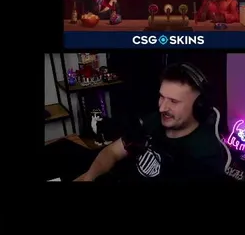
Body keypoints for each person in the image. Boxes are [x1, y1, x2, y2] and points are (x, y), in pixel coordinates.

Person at [75, 64, 229, 181]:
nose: (162, 108)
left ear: (198, 106)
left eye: (173, 101)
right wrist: (88, 178)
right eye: (162, 97)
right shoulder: (154, 121)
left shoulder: (205, 155)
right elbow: (113, 152)